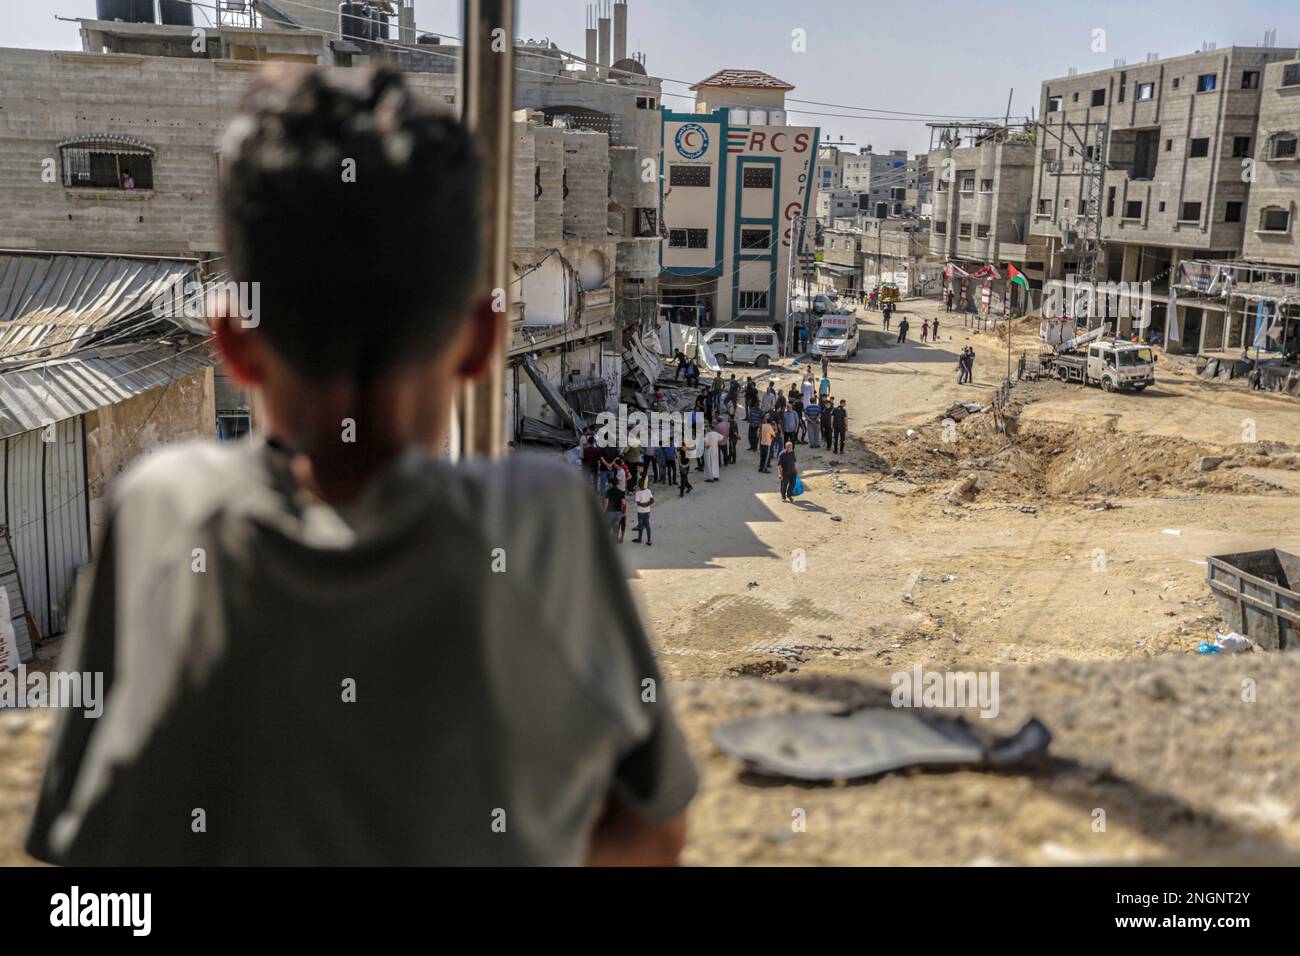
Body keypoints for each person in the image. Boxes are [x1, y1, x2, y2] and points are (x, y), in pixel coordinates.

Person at [25, 66, 695, 868]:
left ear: (232, 340)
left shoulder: (159, 509)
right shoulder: (540, 517)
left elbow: (80, 847)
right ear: (485, 340)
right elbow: (651, 835)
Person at [632, 478, 654, 546]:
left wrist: (643, 505)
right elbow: (652, 500)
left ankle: (639, 539)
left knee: (640, 525)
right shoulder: (648, 491)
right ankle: (649, 540)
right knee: (647, 525)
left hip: (640, 511)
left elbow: (638, 503)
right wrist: (646, 505)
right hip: (647, 511)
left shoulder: (638, 493)